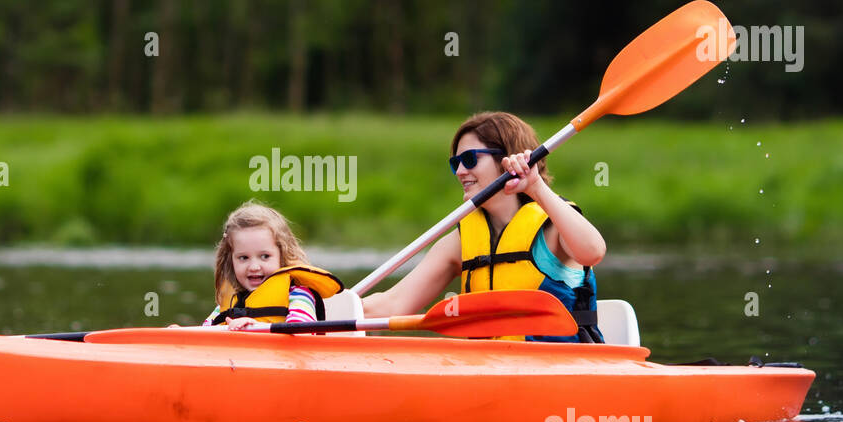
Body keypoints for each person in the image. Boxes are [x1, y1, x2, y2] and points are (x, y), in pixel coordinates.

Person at [362, 111, 606, 342]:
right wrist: (332, 306)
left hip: (560, 372)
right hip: (489, 369)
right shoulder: (460, 242)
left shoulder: (553, 227)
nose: (459, 171)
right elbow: (393, 304)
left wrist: (536, 187)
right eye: (455, 162)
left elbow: (593, 252)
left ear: (507, 159)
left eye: (469, 160)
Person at [202, 201, 343, 330]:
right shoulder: (230, 300)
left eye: (265, 256)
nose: (254, 266)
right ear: (230, 260)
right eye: (243, 258)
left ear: (283, 254)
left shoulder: (298, 295)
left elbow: (303, 333)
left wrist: (256, 327)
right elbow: (203, 333)